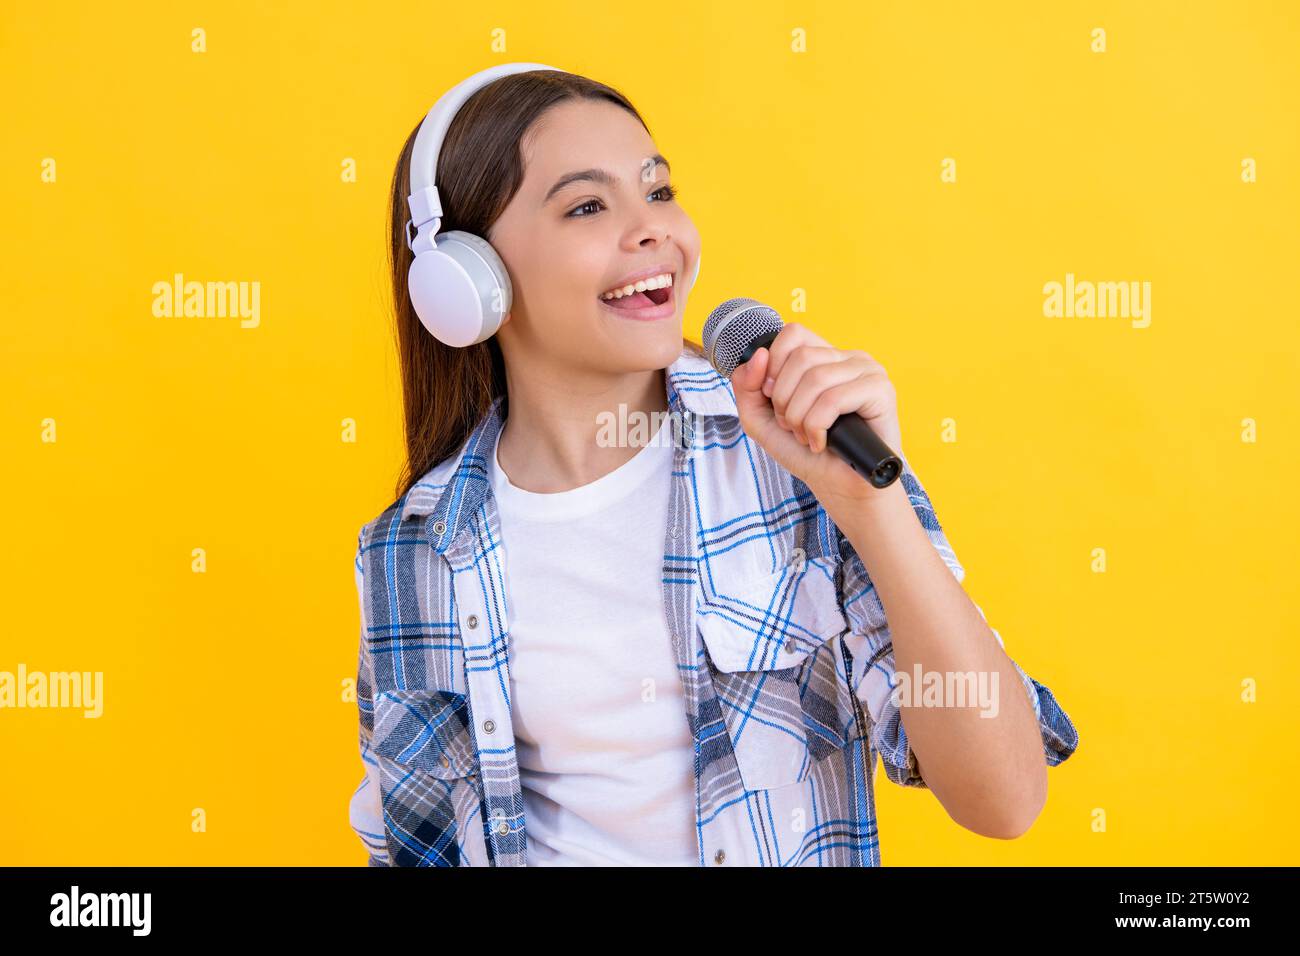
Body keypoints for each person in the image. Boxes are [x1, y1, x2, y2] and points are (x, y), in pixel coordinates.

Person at [349, 65, 1079, 867]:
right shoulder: (413, 548)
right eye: (589, 205)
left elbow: (1004, 800)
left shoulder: (799, 458)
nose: (652, 228)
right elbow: (414, 846)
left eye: (658, 192)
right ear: (469, 279)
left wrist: (876, 510)